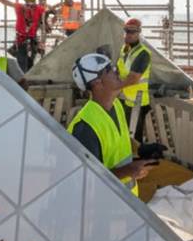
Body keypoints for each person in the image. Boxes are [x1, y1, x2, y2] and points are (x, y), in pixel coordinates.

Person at [67, 53, 161, 197]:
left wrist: (141, 149)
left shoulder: (116, 105)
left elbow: (119, 139)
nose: (116, 71)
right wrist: (128, 171)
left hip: (126, 200)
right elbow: (88, 179)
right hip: (104, 204)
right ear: (97, 82)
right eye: (109, 69)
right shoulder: (85, 127)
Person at [0, 0, 53, 72]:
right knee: (21, 61)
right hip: (21, 40)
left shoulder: (39, 9)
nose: (30, 4)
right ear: (25, 1)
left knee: (30, 62)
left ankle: (26, 75)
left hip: (32, 40)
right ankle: (22, 75)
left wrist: (42, 41)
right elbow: (5, 2)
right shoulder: (20, 7)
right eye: (28, 2)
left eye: (32, 1)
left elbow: (43, 24)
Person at [117, 18, 152, 142]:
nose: (129, 34)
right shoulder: (124, 50)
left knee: (134, 139)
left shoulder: (143, 53)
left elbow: (133, 79)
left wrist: (113, 88)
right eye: (127, 31)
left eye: (132, 32)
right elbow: (120, 71)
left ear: (138, 33)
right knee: (124, 135)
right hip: (124, 99)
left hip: (136, 101)